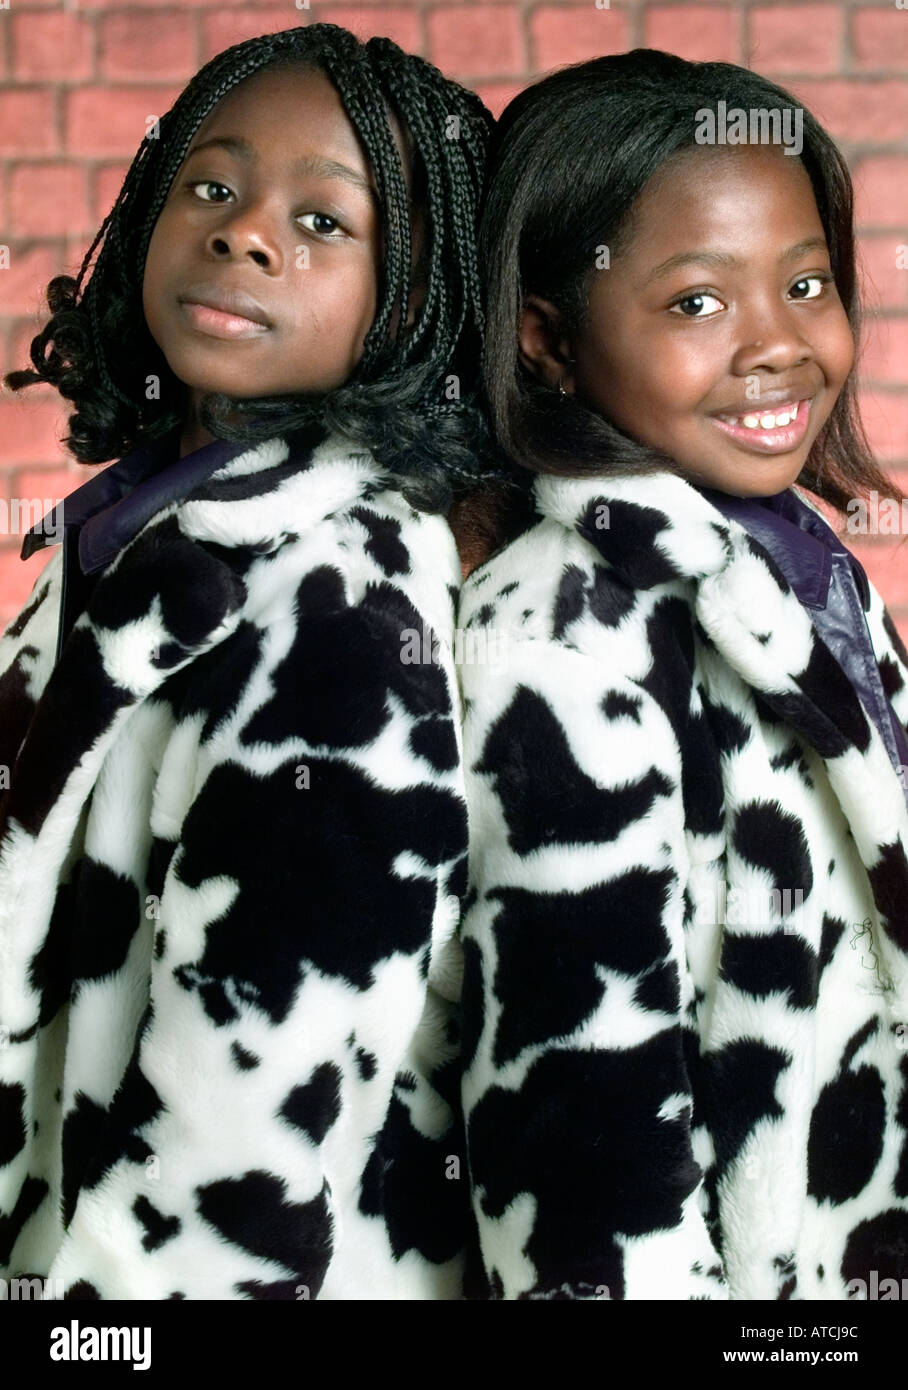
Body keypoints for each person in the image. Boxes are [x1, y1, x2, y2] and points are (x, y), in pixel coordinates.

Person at [0, 23, 495, 1299]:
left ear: (421, 298)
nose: (245, 233)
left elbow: (240, 1160)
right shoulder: (145, 524)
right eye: (211, 189)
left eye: (326, 223)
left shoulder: (339, 608)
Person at [457, 49, 908, 1301]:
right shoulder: (563, 641)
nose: (777, 344)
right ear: (547, 341)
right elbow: (581, 1147)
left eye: (805, 282)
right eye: (696, 303)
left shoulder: (798, 560)